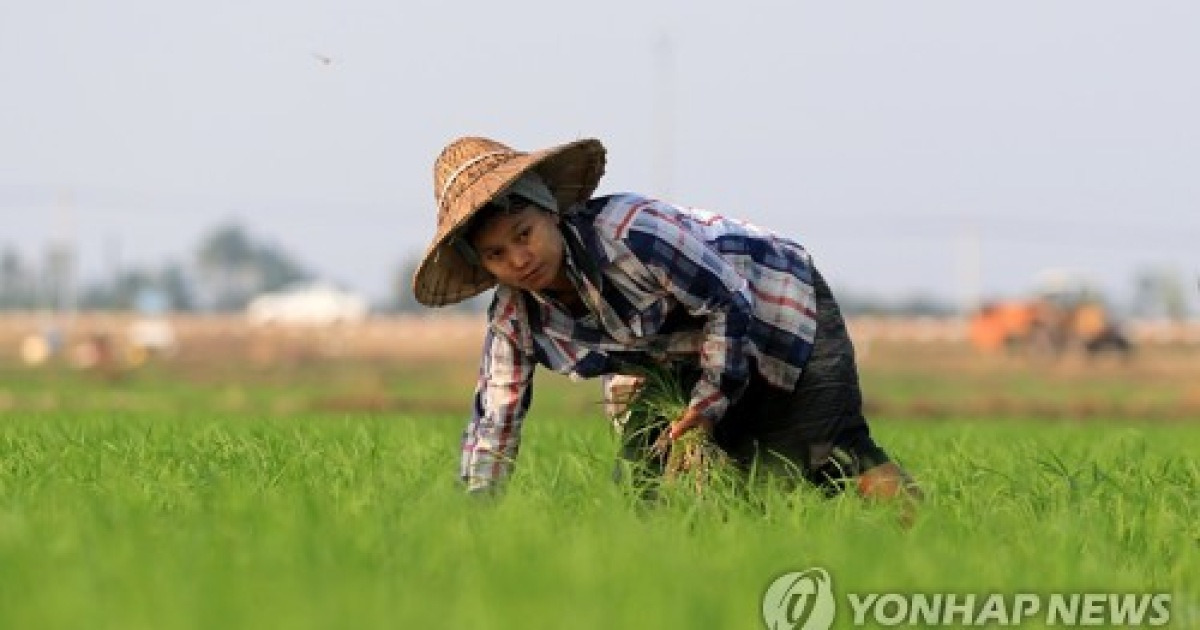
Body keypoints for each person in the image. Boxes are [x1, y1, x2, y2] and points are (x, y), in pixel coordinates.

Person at [412, 136, 920, 504]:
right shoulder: (513, 316)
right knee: (647, 486)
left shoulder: (633, 235)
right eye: (498, 254)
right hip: (679, 354)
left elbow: (729, 302)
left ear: (552, 214)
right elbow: (496, 416)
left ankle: (927, 537)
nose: (519, 259)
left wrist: (710, 402)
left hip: (775, 300)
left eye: (524, 234)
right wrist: (477, 512)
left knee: (828, 451)